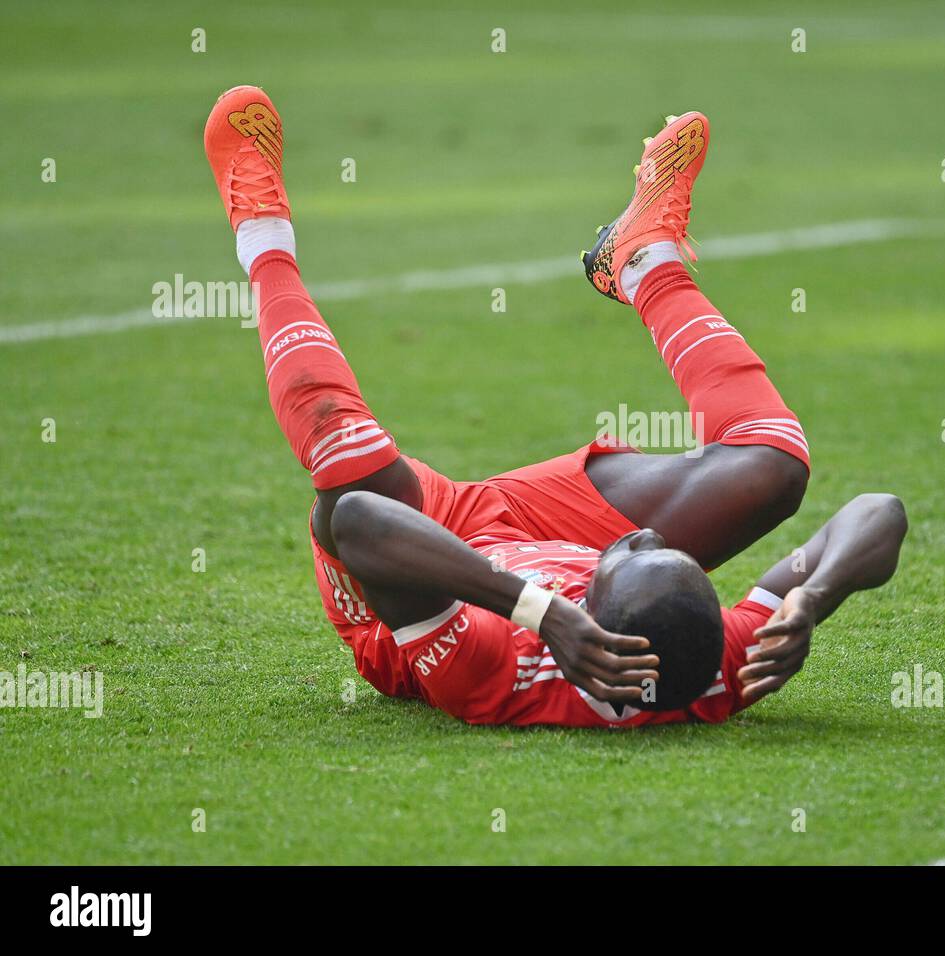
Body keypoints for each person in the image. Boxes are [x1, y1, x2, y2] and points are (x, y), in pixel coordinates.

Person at [203, 85, 907, 727]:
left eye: (633, 553)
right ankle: (643, 261)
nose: (644, 537)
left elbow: (360, 524)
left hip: (432, 562)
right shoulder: (716, 665)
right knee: (775, 465)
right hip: (537, 541)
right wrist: (812, 598)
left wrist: (538, 612)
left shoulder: (491, 666)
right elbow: (880, 512)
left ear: (594, 620)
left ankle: (262, 235)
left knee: (347, 470)